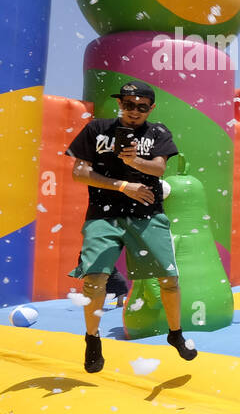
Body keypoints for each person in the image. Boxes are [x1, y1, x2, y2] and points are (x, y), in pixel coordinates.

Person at [65, 81, 199, 373]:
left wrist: (134, 161)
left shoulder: (158, 132)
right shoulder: (96, 129)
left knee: (169, 280)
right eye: (128, 104)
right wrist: (123, 185)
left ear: (151, 108)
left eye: (141, 106)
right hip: (103, 216)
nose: (134, 111)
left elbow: (160, 168)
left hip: (147, 215)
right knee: (94, 280)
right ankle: (92, 338)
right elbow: (79, 173)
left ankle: (175, 333)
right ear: (120, 104)